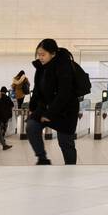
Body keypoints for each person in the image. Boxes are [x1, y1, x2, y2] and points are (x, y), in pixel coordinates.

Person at [27, 38, 83, 166]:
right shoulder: (41, 68)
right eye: (39, 54)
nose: (40, 57)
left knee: (65, 142)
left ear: (53, 54)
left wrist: (49, 114)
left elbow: (64, 94)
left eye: (43, 54)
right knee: (32, 126)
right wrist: (32, 106)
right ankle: (43, 159)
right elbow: (37, 89)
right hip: (46, 107)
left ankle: (70, 168)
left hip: (65, 110)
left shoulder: (64, 67)